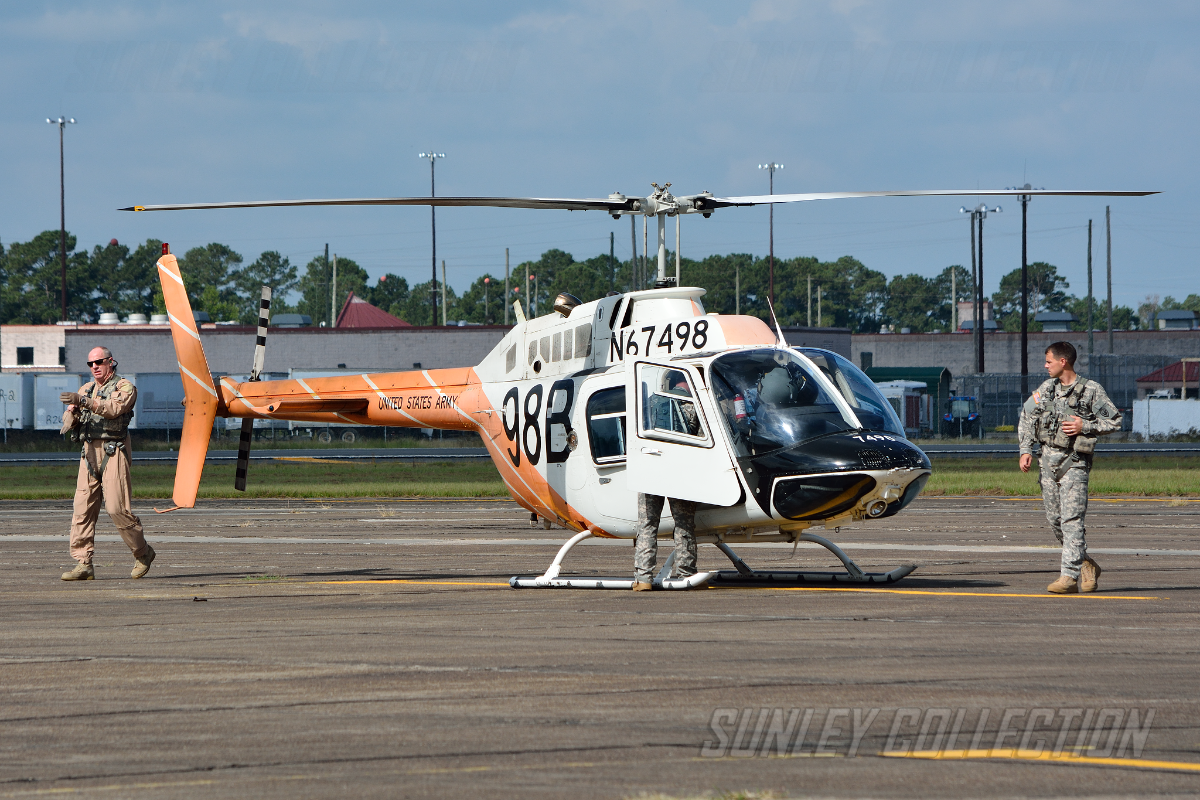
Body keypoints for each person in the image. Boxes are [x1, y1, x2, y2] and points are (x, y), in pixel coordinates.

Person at [1018, 341, 1122, 594]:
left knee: (1072, 520)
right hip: (1047, 464)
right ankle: (1086, 563)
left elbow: (1115, 421)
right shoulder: (1047, 389)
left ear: (1063, 361)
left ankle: (1068, 577)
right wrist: (1025, 449)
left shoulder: (1090, 390)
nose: (1046, 366)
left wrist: (1083, 426)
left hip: (1074, 463)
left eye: (1049, 361)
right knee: (1056, 521)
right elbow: (1027, 415)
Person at [58, 346, 155, 581]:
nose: (94, 367)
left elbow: (113, 409)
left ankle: (143, 552)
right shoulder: (87, 389)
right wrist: (71, 413)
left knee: (116, 508)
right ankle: (83, 563)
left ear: (110, 362)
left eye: (99, 362)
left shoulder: (125, 387)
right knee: (82, 508)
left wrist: (84, 401)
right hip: (88, 452)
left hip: (114, 451)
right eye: (90, 364)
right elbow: (72, 419)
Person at [633, 371, 700, 591]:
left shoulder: (650, 402)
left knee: (647, 525)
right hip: (678, 472)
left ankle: (643, 578)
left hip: (649, 470)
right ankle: (686, 573)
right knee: (684, 524)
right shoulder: (694, 405)